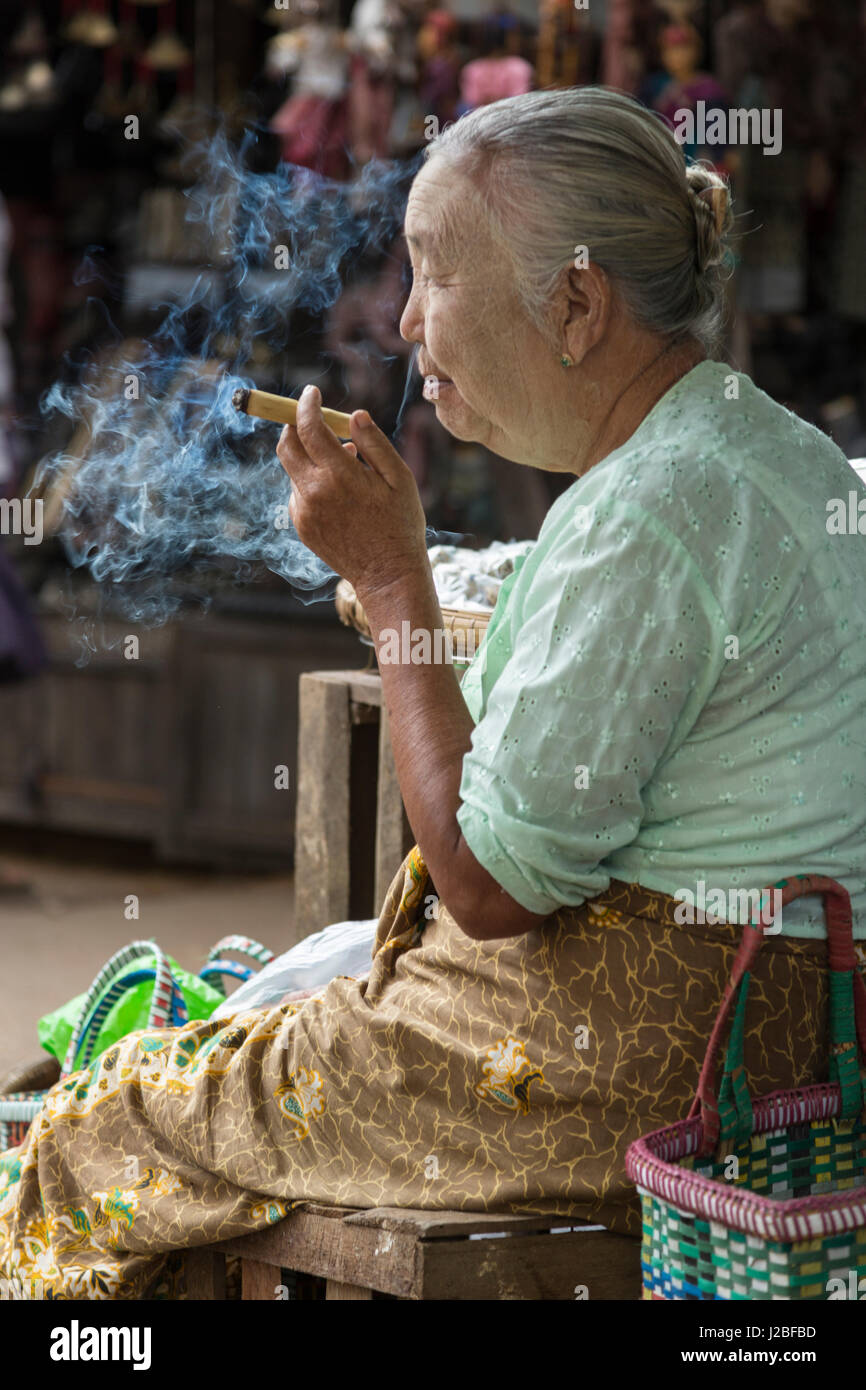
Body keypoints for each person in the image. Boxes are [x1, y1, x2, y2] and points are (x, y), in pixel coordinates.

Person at [2, 86, 865, 1300]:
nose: (405, 322)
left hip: (640, 1061)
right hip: (778, 1037)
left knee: (103, 1132)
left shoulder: (651, 513)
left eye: (432, 274)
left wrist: (394, 581)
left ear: (574, 302)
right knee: (232, 1046)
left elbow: (487, 883)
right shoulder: (764, 451)